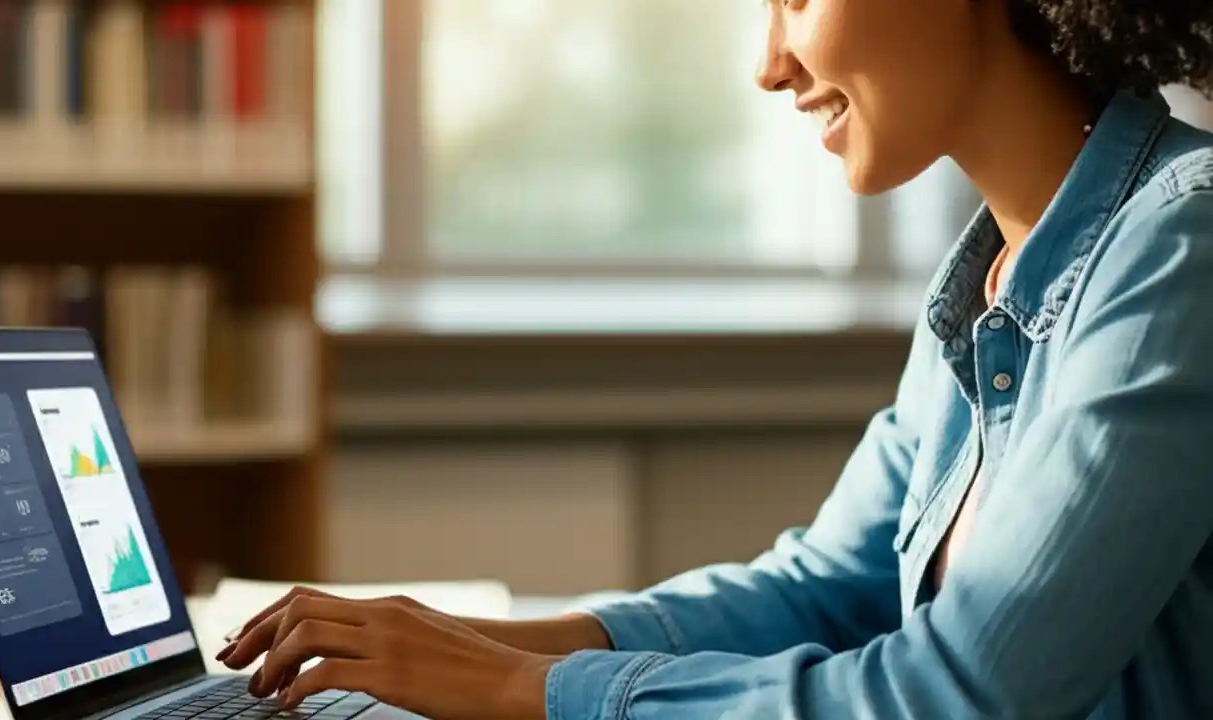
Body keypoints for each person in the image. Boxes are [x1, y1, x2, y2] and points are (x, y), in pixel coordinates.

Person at [216, 0, 1213, 717]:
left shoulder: (1180, 247)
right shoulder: (992, 278)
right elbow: (825, 591)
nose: (768, 64)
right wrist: (454, 643)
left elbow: (957, 695)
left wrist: (514, 689)